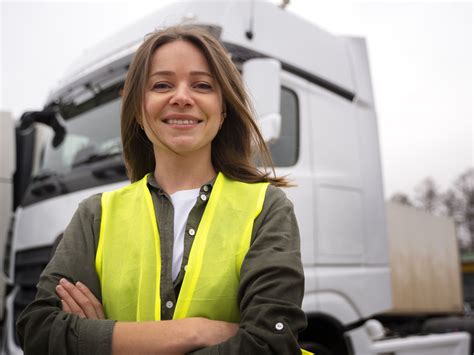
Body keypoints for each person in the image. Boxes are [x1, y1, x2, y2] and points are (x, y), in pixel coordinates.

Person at [17, 25, 308, 354]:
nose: (181, 97)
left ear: (223, 107)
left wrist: (104, 340)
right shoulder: (95, 215)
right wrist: (193, 332)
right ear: (139, 109)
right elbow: (40, 332)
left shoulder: (266, 208)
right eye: (161, 85)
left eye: (201, 85)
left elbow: (269, 344)